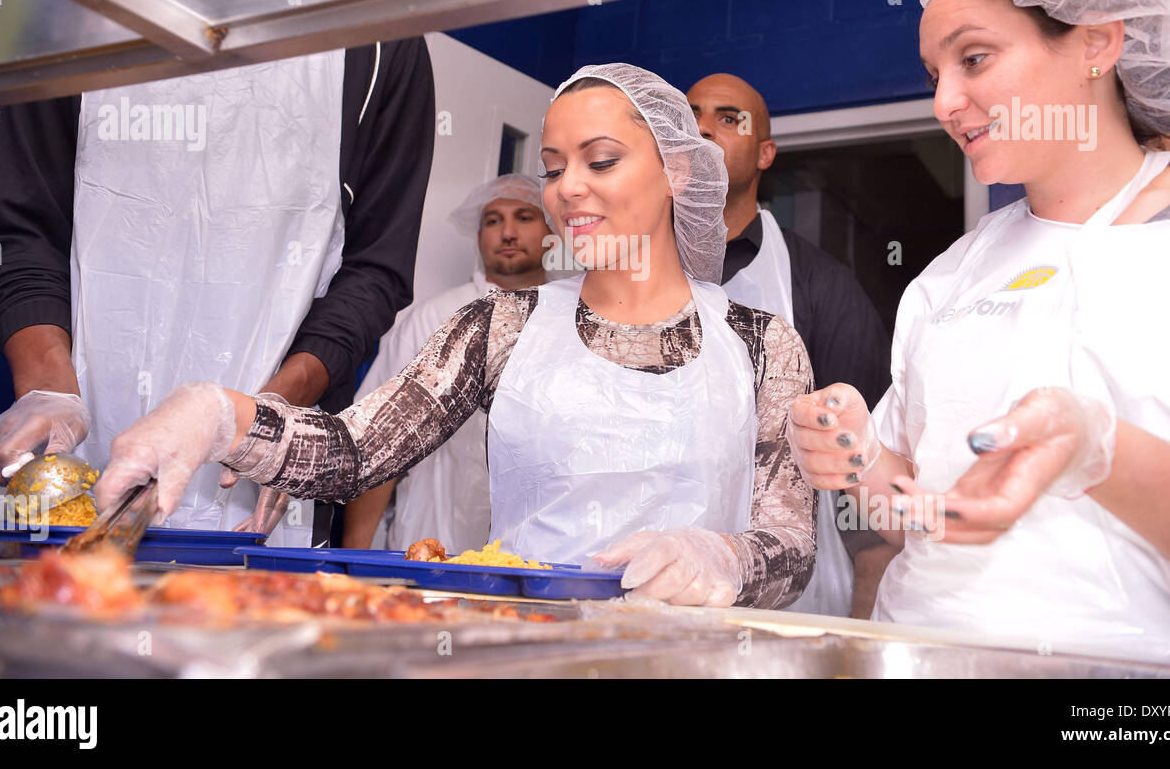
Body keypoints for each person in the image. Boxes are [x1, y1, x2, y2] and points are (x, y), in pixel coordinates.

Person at [96, 63, 817, 608]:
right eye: (554, 168)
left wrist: (723, 556)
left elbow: (792, 546)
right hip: (529, 653)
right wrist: (215, 413)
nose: (566, 189)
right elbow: (352, 453)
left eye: (600, 161)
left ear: (678, 169)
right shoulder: (501, 326)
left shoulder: (761, 344)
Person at [787, 0, 1170, 663]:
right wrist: (862, 457)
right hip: (916, 655)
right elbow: (915, 517)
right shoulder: (950, 275)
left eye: (974, 58)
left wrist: (1096, 451)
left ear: (1096, 43)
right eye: (934, 72)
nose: (944, 100)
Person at [0, 41, 436, 547]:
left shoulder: (384, 44)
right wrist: (46, 389)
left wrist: (269, 421)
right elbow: (20, 232)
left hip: (258, 467)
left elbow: (376, 269)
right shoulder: (74, 9)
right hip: (75, 441)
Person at [688, 73, 892, 617]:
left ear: (765, 154)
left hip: (782, 594)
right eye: (690, 117)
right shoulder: (623, 273)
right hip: (641, 568)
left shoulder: (822, 286)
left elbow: (863, 467)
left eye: (728, 119)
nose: (703, 129)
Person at [341, 174, 552, 552]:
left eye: (524, 217)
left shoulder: (565, 321)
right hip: (428, 536)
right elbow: (374, 442)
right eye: (492, 220)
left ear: (552, 231)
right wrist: (354, 560)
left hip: (537, 551)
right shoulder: (433, 317)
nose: (507, 232)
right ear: (477, 237)